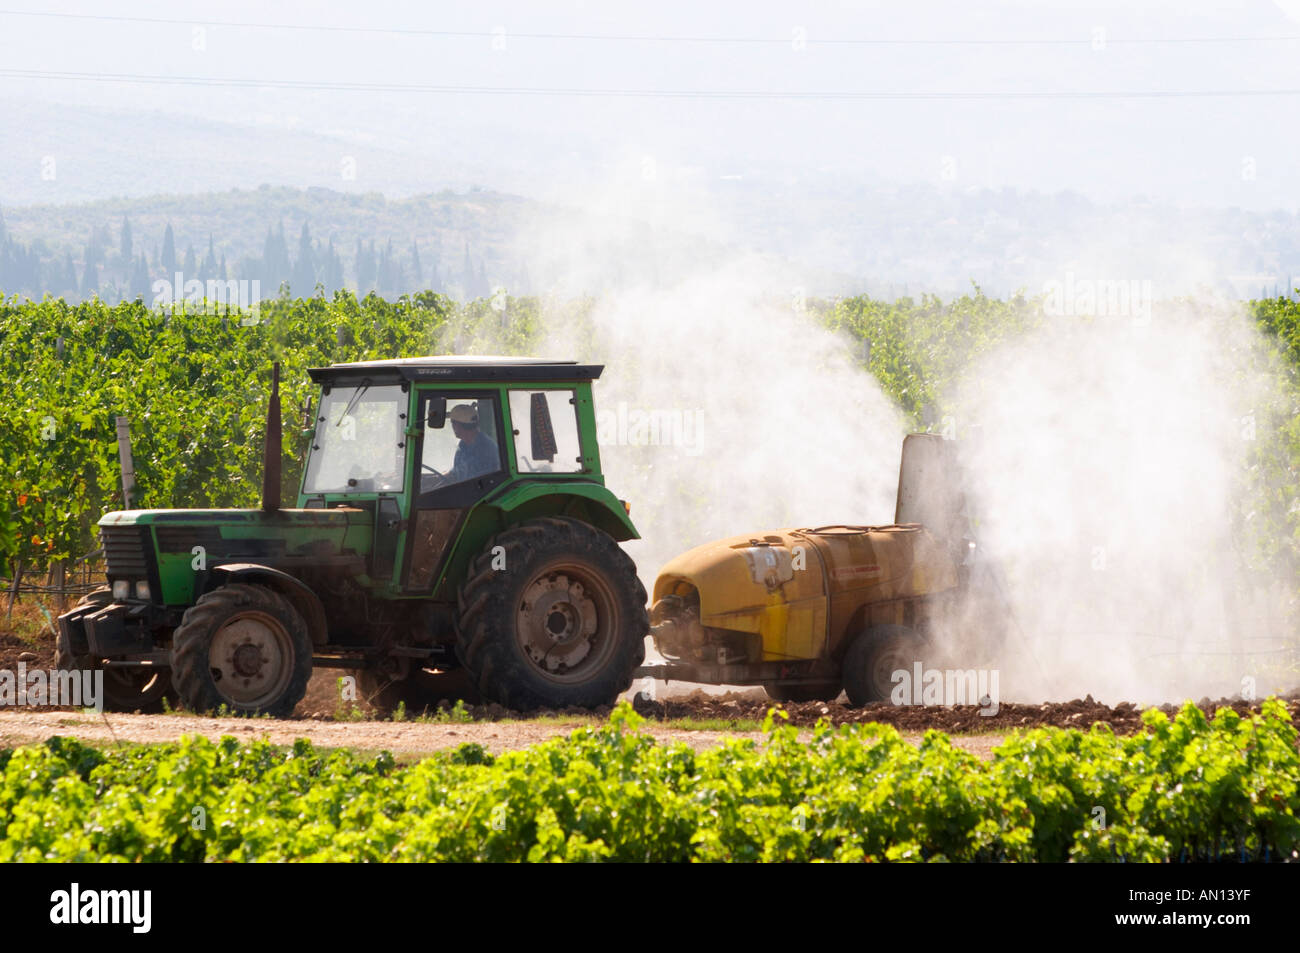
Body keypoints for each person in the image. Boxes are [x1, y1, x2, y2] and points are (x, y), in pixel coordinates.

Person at [443, 403, 499, 484]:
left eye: (453, 423)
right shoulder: (463, 444)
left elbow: (478, 482)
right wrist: (447, 475)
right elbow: (460, 469)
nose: (453, 427)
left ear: (459, 425)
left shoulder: (486, 449)